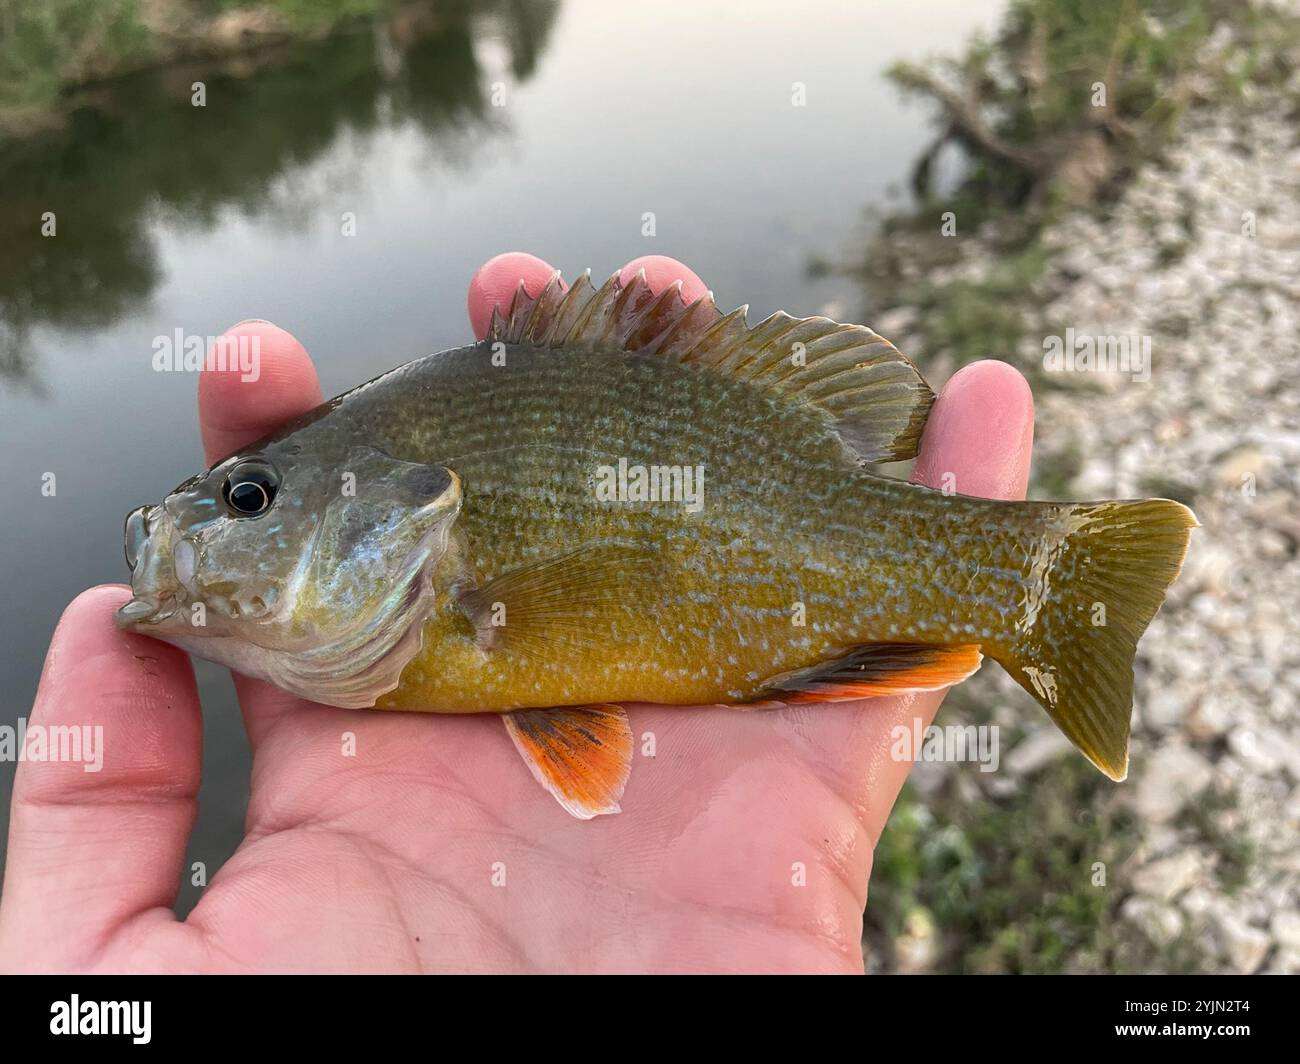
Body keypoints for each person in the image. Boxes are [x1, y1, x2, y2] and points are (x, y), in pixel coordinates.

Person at [0, 253, 1033, 974]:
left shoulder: (447, 584)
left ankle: (1037, 584)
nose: (187, 526)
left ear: (409, 505)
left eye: (249, 498)